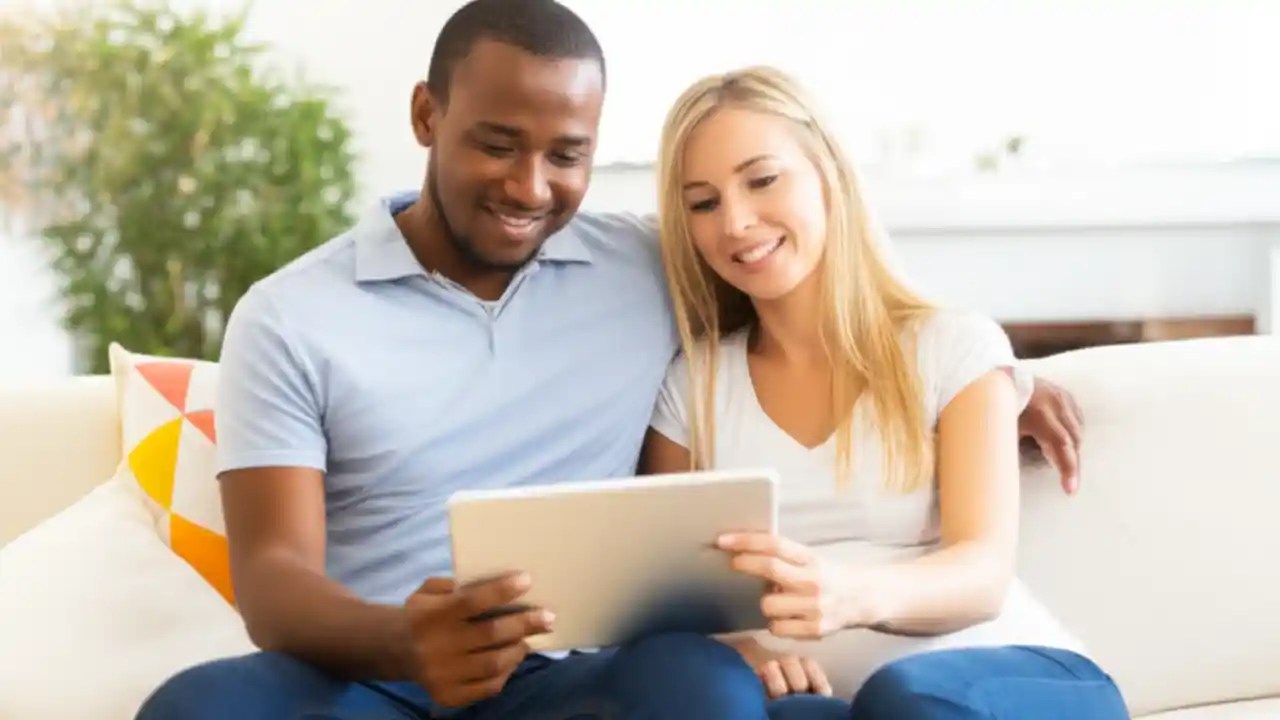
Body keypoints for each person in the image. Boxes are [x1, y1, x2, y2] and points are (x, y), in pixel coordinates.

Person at [134, 1, 1085, 718]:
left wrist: (1006, 381)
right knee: (196, 708)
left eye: (567, 154)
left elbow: (796, 283)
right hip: (379, 674)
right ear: (427, 115)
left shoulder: (644, 264)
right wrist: (407, 643)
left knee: (702, 680)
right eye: (496, 145)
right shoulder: (291, 316)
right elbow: (274, 578)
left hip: (584, 671)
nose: (530, 186)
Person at [639, 65, 1129, 718]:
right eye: (703, 202)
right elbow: (665, 593)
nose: (735, 222)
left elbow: (982, 574)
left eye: (762, 180)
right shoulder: (693, 387)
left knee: (906, 701)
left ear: (829, 175)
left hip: (1007, 678)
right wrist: (740, 650)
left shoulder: (952, 346)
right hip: (832, 704)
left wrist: (850, 595)